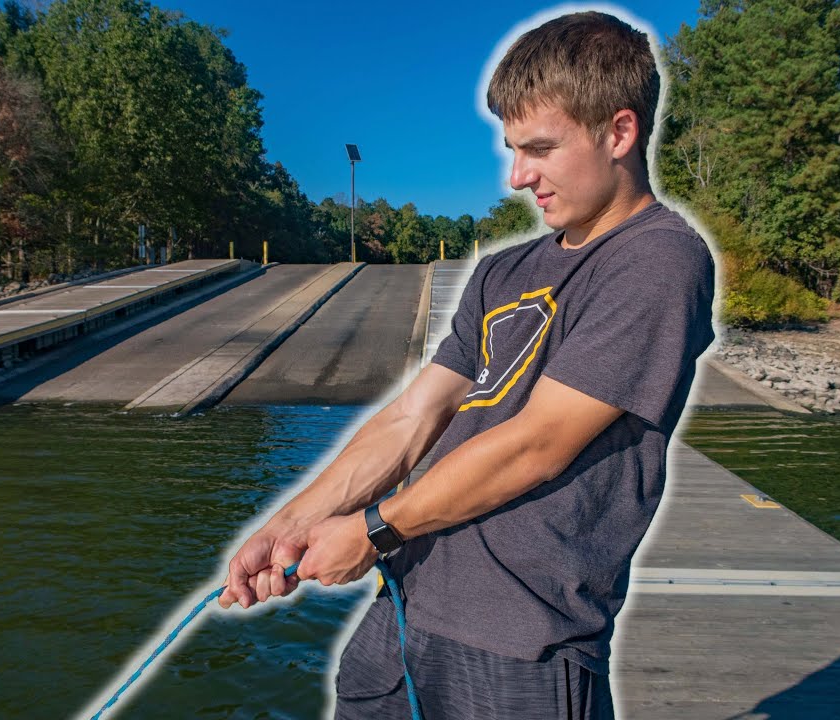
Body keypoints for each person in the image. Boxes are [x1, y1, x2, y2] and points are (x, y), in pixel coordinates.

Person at [217, 10, 716, 719]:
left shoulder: (658, 260)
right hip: (407, 606)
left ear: (620, 132)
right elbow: (412, 417)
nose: (518, 176)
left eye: (539, 149)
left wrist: (369, 530)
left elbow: (540, 443)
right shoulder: (502, 272)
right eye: (512, 149)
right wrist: (290, 525)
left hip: (525, 640)